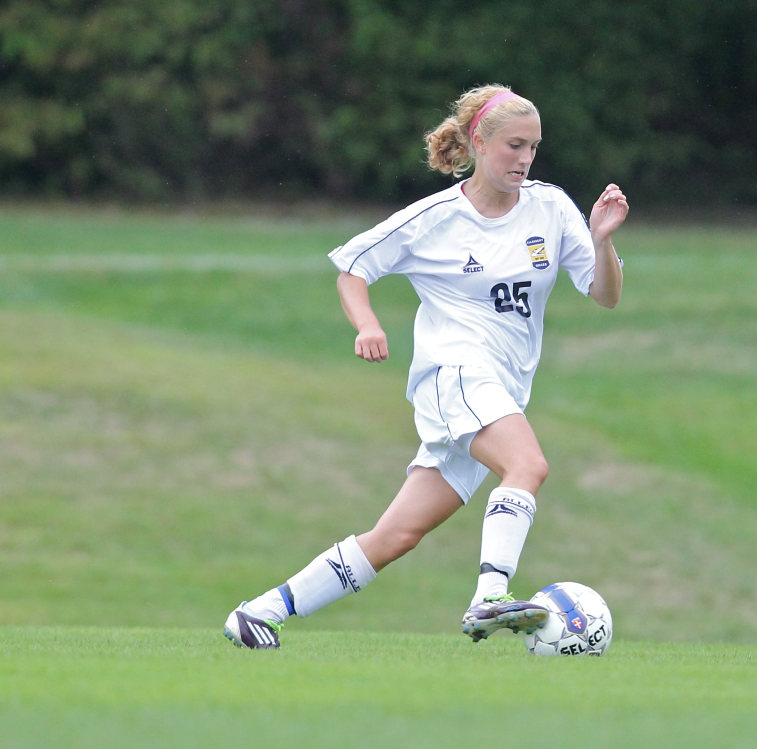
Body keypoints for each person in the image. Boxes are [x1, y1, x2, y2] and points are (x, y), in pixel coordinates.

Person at [224, 84, 628, 649]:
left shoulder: (552, 208)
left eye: (533, 147)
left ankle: (261, 612)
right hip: (455, 373)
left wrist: (603, 240)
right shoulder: (435, 218)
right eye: (514, 145)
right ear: (479, 143)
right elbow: (353, 269)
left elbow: (604, 294)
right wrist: (367, 324)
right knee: (528, 465)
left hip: (500, 388)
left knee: (397, 535)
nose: (525, 159)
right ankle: (490, 596)